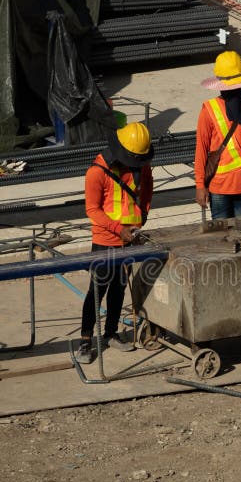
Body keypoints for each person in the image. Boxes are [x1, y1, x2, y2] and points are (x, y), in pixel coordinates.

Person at [77, 122, 154, 363]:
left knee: (119, 287)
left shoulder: (141, 166)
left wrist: (141, 220)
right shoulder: (96, 173)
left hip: (128, 241)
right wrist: (118, 229)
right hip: (104, 241)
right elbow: (92, 209)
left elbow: (147, 192)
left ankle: (111, 333)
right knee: (97, 290)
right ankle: (85, 340)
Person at [194, 50, 241, 219]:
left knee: (238, 234)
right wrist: (200, 185)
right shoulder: (209, 110)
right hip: (219, 188)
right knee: (222, 237)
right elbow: (201, 150)